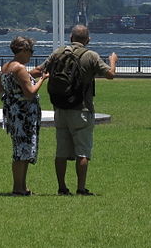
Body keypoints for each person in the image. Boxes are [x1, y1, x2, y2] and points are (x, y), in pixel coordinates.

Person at [39, 24, 117, 196]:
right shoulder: (91, 56)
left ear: (71, 37)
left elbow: (39, 70)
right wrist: (112, 61)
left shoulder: (58, 53)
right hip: (81, 108)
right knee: (82, 152)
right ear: (88, 40)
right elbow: (110, 75)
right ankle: (81, 188)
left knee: (61, 151)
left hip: (60, 108)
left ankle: (62, 187)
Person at [0, 35, 49, 195]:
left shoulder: (6, 67)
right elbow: (30, 93)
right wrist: (43, 79)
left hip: (13, 112)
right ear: (23, 50)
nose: (31, 54)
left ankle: (21, 187)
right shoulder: (20, 68)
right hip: (24, 115)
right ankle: (18, 187)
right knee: (22, 151)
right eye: (30, 51)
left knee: (21, 150)